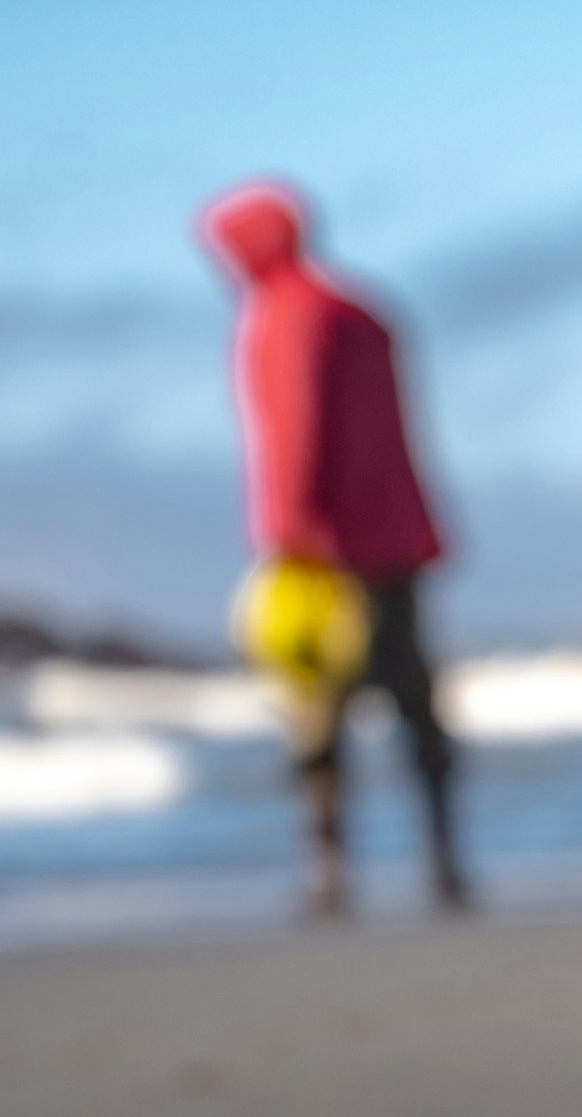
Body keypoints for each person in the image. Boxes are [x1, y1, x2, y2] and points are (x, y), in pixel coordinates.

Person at [199, 179, 469, 918]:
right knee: (416, 702)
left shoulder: (288, 315)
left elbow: (296, 429)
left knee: (318, 707)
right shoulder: (366, 309)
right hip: (397, 536)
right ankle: (446, 864)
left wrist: (287, 529)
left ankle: (329, 870)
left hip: (323, 547)